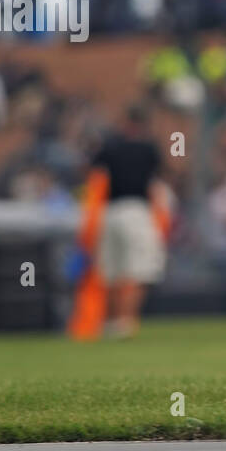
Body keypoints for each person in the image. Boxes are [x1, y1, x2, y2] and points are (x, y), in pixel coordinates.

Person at [86, 105, 167, 337]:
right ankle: (126, 322)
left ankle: (108, 324)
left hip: (109, 211)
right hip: (137, 210)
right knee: (138, 270)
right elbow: (161, 177)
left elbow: (90, 170)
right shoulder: (149, 148)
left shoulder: (109, 146)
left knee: (112, 271)